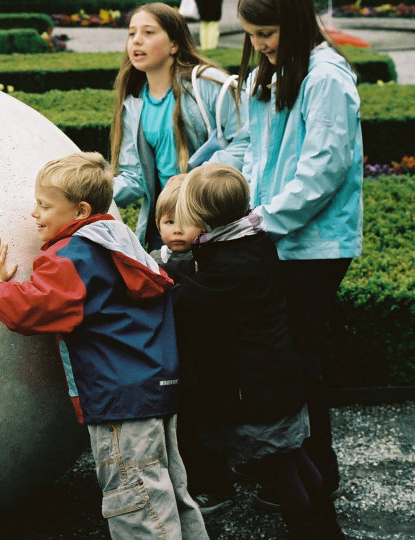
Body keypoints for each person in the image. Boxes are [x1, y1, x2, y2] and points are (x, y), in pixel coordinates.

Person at [0, 151, 209, 540]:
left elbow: (31, 310)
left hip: (118, 400)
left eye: (44, 205)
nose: (34, 214)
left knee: (136, 506)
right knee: (167, 496)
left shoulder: (73, 256)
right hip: (152, 390)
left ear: (80, 210)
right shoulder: (117, 237)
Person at [167, 162, 344, 539]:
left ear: (200, 215)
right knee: (294, 455)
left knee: (279, 468)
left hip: (259, 390)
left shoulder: (226, 267)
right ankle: (324, 523)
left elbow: (183, 301)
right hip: (280, 378)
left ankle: (307, 530)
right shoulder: (253, 240)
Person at [236, 0, 363, 509]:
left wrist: (260, 221)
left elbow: (324, 169)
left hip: (317, 243)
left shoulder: (327, 75)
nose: (260, 44)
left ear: (293, 21)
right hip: (277, 234)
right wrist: (233, 204)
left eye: (266, 32)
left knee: (297, 356)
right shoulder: (269, 72)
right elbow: (251, 149)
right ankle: (297, 467)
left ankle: (318, 473)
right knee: (284, 357)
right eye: (252, 35)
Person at [111, 1, 246, 250]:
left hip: (212, 224)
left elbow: (246, 141)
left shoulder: (206, 83)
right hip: (165, 230)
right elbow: (135, 177)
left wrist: (199, 178)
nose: (136, 41)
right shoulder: (134, 102)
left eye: (148, 32)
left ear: (174, 44)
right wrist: (88, 193)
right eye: (132, 33)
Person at [149, 179, 237, 515]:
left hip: (202, 359)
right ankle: (189, 482)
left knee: (204, 427)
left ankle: (216, 486)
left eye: (186, 222)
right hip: (171, 357)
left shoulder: (205, 262)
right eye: (169, 222)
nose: (177, 231)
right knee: (180, 427)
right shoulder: (155, 257)